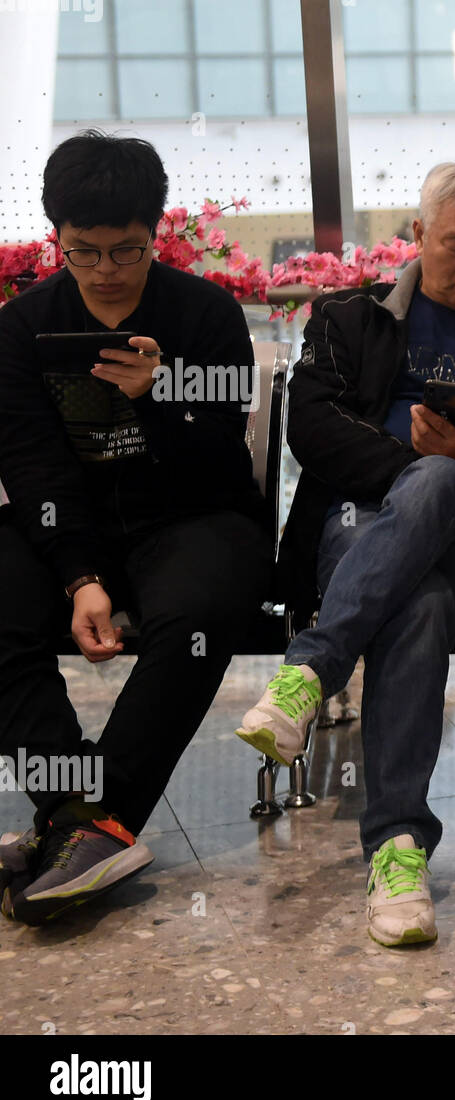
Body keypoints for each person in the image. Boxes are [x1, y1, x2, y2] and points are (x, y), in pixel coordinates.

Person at [237, 162, 455, 947]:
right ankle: (398, 849)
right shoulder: (348, 318)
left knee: (445, 486)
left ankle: (311, 671)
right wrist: (427, 473)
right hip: (368, 533)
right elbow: (312, 432)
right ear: (417, 236)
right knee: (415, 600)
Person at [0, 131, 273, 923]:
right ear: (57, 239)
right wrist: (80, 575)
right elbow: (33, 468)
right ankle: (70, 819)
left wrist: (164, 396)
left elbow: (223, 467)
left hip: (191, 516)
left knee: (197, 607)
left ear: (158, 234)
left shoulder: (206, 314)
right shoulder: (21, 330)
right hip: (68, 524)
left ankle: (91, 823)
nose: (108, 272)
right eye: (84, 252)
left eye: (128, 251)